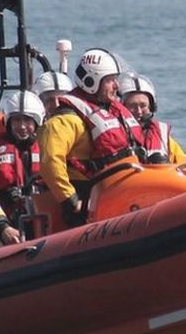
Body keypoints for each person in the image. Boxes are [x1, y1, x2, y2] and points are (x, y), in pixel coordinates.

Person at [37, 48, 144, 228]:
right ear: (91, 81)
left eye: (116, 79)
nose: (116, 86)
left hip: (121, 191)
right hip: (85, 199)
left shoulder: (115, 112)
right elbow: (50, 161)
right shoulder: (66, 120)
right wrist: (71, 200)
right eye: (110, 80)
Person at [0, 90, 47, 248]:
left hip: (42, 220)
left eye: (27, 120)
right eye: (17, 120)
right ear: (8, 122)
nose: (22, 126)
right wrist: (2, 226)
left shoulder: (47, 146)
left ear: (37, 121)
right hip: (6, 223)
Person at [118, 73, 186, 165]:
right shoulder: (112, 137)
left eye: (143, 105)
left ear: (151, 107)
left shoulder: (163, 138)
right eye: (132, 106)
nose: (139, 111)